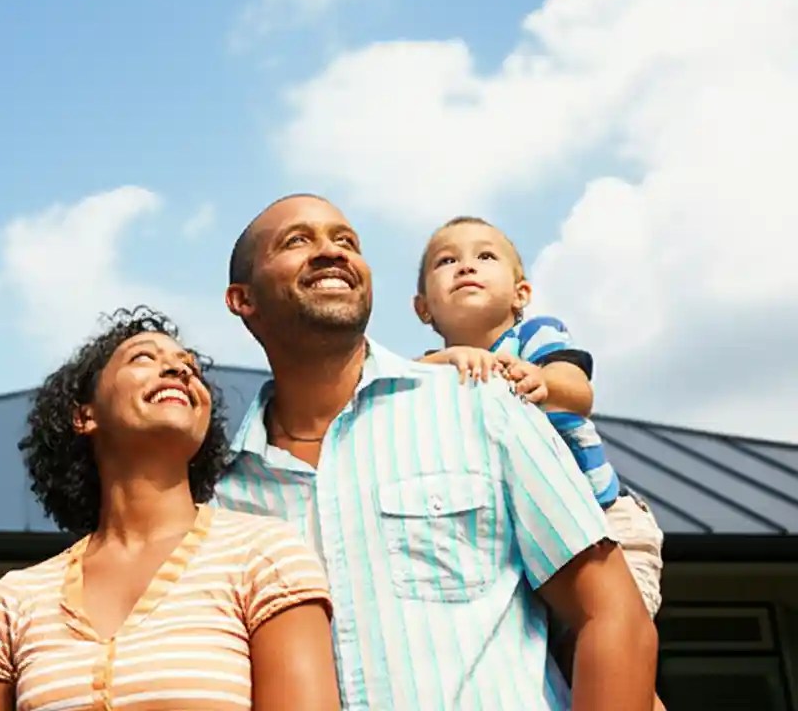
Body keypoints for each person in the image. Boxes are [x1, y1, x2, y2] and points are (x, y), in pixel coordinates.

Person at [215, 194, 658, 711]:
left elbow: (611, 614)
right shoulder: (223, 495)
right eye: (297, 241)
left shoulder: (481, 403)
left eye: (346, 242)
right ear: (242, 299)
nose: (331, 252)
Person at [0, 306, 341, 711]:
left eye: (188, 367)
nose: (179, 372)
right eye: (143, 357)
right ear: (84, 414)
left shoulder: (266, 556)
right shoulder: (12, 602)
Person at [412, 215, 667, 709]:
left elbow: (580, 391)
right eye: (447, 261)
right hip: (528, 544)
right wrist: (441, 362)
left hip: (604, 525)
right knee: (547, 670)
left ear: (520, 292)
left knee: (607, 656)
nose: (466, 266)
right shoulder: (430, 371)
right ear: (423, 307)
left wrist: (543, 380)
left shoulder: (534, 338)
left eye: (485, 257)